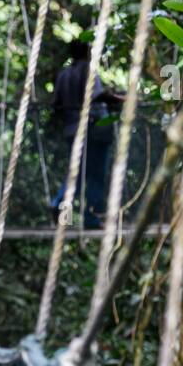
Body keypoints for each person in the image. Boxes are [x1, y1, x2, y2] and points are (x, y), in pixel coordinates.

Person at [50, 40, 122, 228]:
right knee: (96, 174)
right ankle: (91, 218)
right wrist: (119, 99)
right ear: (86, 52)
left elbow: (56, 103)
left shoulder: (64, 74)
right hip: (93, 129)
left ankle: (59, 204)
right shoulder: (88, 71)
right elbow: (97, 95)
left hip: (72, 129)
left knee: (77, 172)